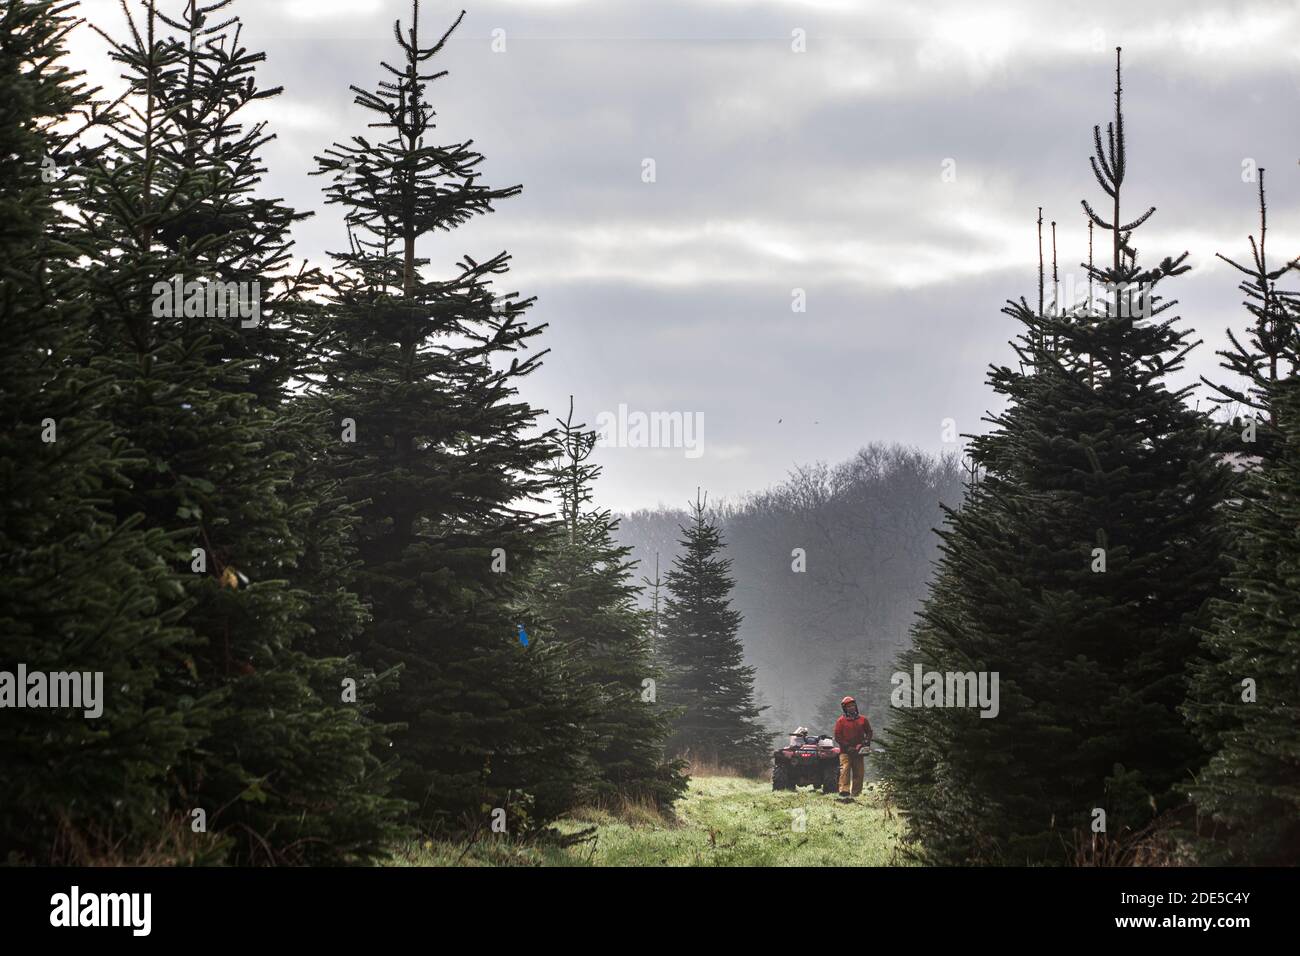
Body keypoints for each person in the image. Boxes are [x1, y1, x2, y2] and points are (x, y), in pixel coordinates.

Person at [833, 695, 873, 801]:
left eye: (852, 706)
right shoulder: (840, 721)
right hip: (845, 751)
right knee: (845, 769)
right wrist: (847, 746)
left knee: (859, 773)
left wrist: (866, 741)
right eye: (848, 706)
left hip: (858, 751)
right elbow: (837, 736)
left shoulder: (863, 720)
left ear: (855, 706)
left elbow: (869, 731)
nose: (851, 708)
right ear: (845, 708)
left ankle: (856, 793)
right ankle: (844, 791)